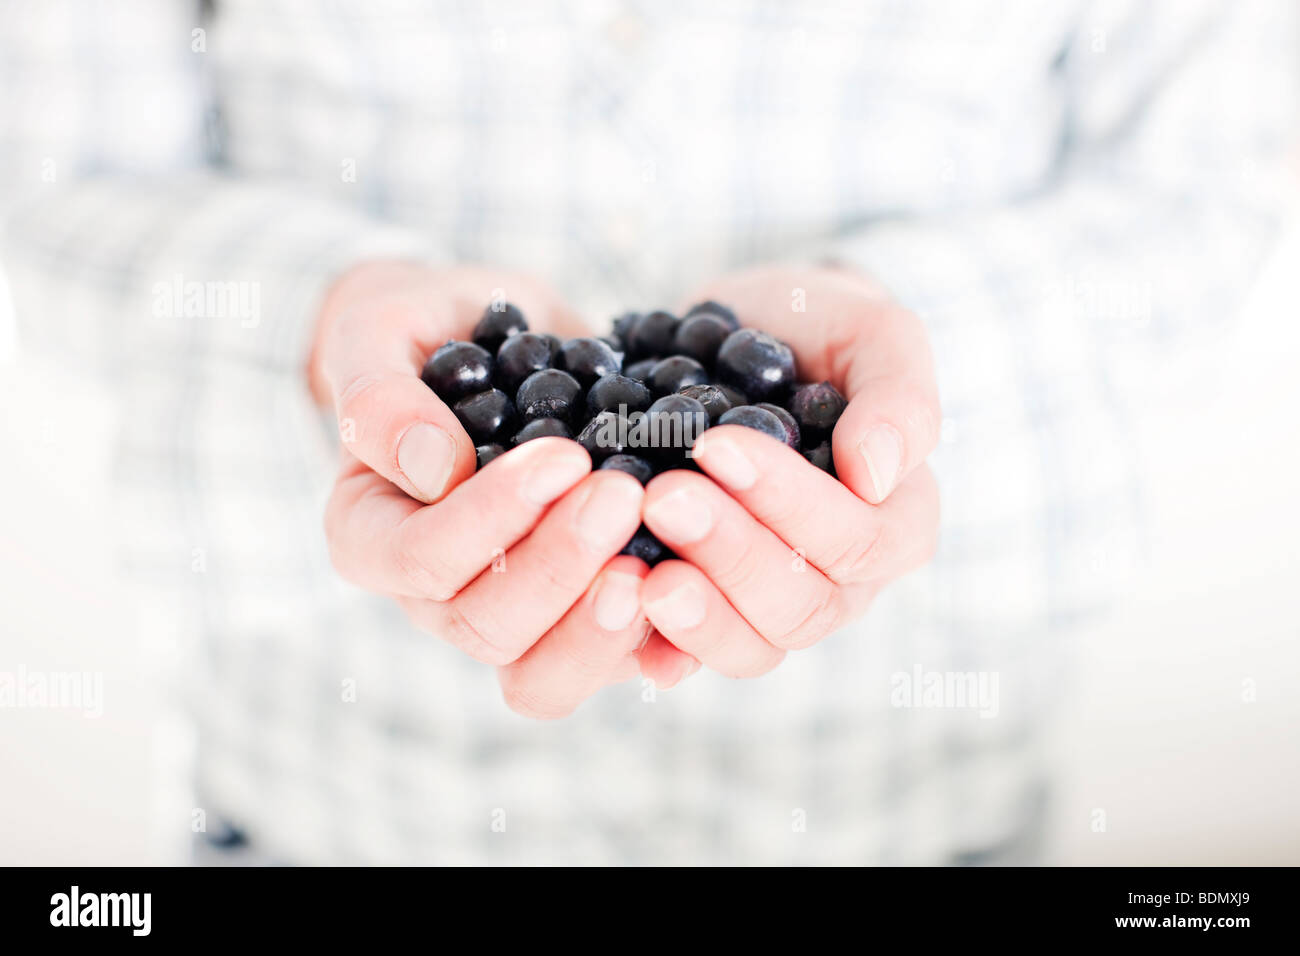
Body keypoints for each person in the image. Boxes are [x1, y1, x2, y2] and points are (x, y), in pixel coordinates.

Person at [1, 0, 1293, 865]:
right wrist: (323, 316)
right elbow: (57, 193)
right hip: (329, 814)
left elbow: (1205, 189)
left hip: (910, 816)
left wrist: (916, 331)